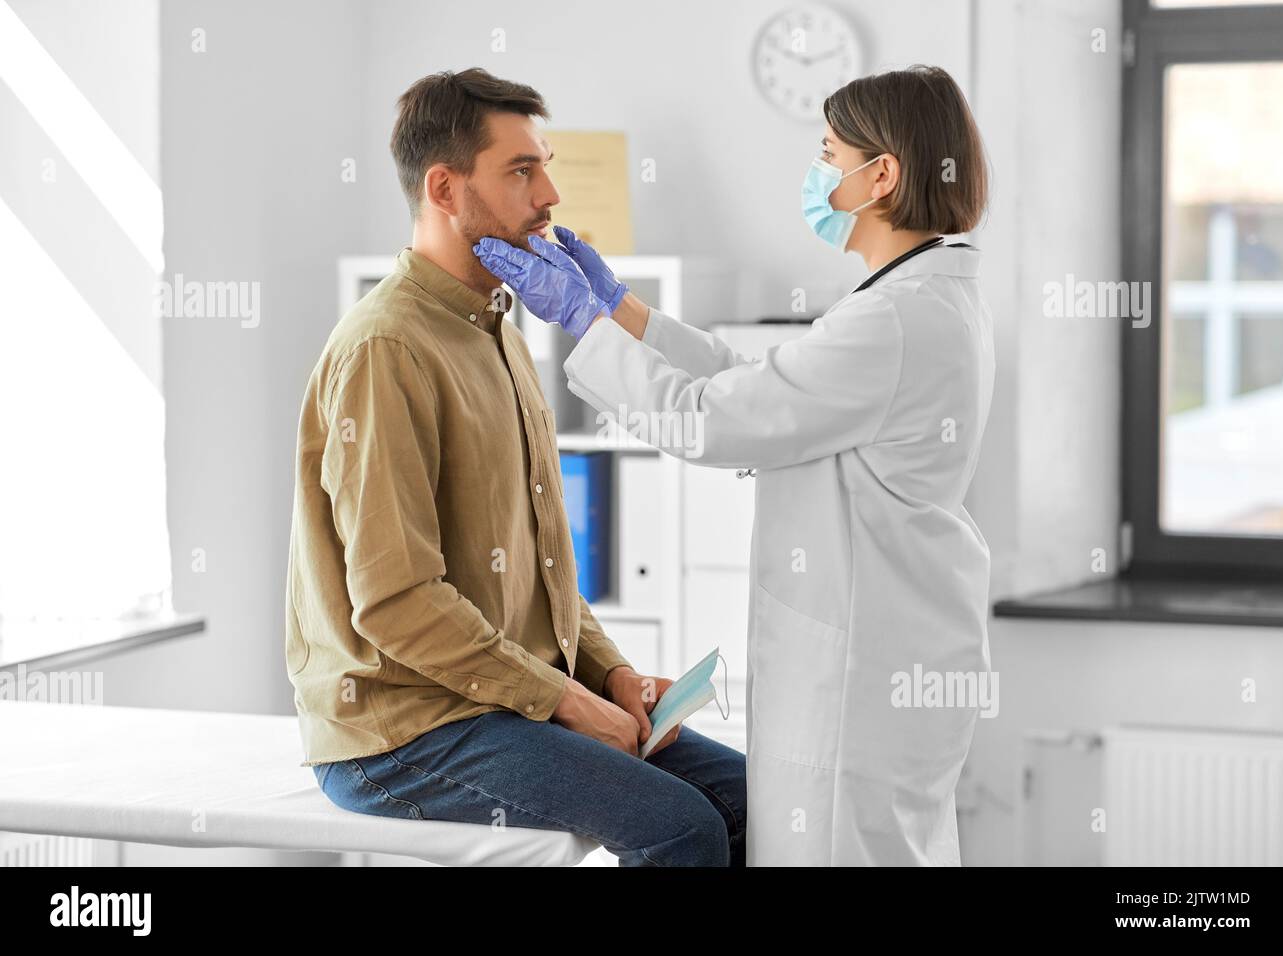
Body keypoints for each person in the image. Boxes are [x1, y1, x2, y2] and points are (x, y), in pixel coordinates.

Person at [475, 64, 995, 866]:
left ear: (881, 174)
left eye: (830, 153)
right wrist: (619, 308)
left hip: (863, 662)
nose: (819, 175)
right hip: (895, 638)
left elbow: (708, 419)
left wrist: (585, 321)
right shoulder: (913, 300)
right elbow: (754, 381)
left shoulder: (895, 319)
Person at [285, 68, 745, 867]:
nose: (550, 195)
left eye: (547, 166)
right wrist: (566, 701)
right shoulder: (385, 349)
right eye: (522, 170)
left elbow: (543, 570)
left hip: (500, 701)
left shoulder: (501, 328)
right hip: (404, 728)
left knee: (755, 801)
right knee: (684, 827)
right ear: (444, 187)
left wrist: (614, 677)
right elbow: (395, 603)